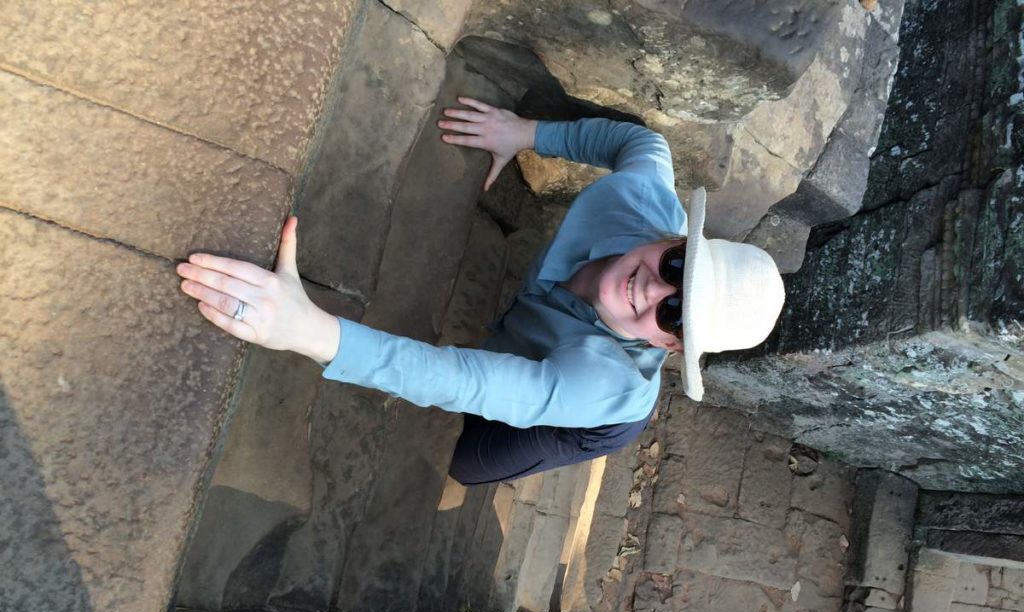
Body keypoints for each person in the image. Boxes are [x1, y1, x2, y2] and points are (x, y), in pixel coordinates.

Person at [176, 97, 785, 485]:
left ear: (672, 349)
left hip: (585, 416)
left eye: (674, 314)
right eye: (678, 268)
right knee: (501, 371)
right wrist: (526, 132)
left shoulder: (604, 388)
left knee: (472, 462)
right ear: (679, 240)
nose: (654, 287)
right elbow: (642, 145)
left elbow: (459, 380)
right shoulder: (643, 201)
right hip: (548, 342)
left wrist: (308, 331)